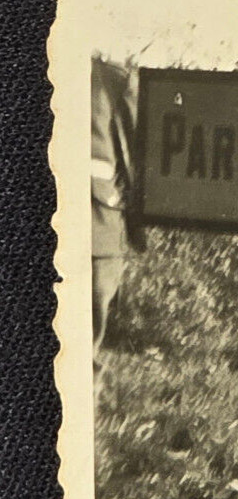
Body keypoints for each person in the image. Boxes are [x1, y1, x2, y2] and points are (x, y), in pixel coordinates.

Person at [91, 54, 144, 369]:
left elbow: (137, 155)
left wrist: (138, 221)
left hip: (97, 221)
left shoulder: (111, 80)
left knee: (92, 307)